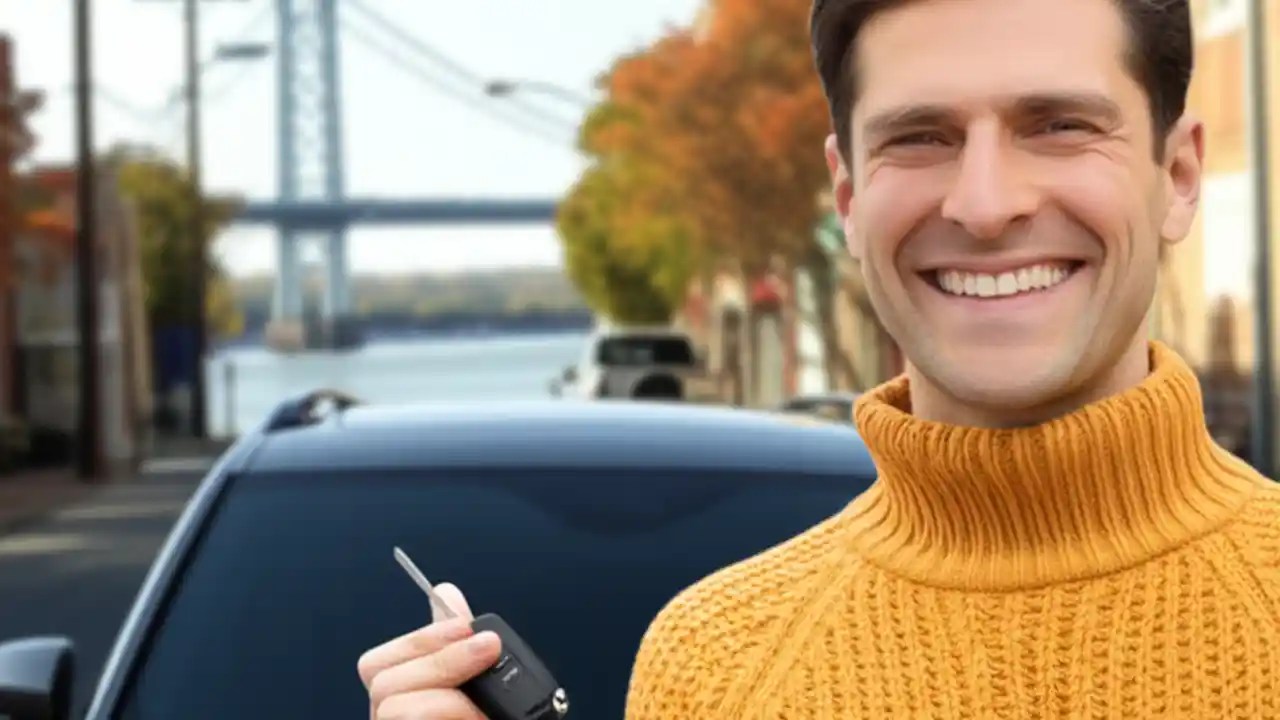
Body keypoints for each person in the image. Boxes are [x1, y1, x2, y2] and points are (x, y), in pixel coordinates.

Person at [358, 0, 1280, 716]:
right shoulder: (713, 669)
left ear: (1180, 176)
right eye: (922, 137)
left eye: (1060, 124)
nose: (986, 203)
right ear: (846, 193)